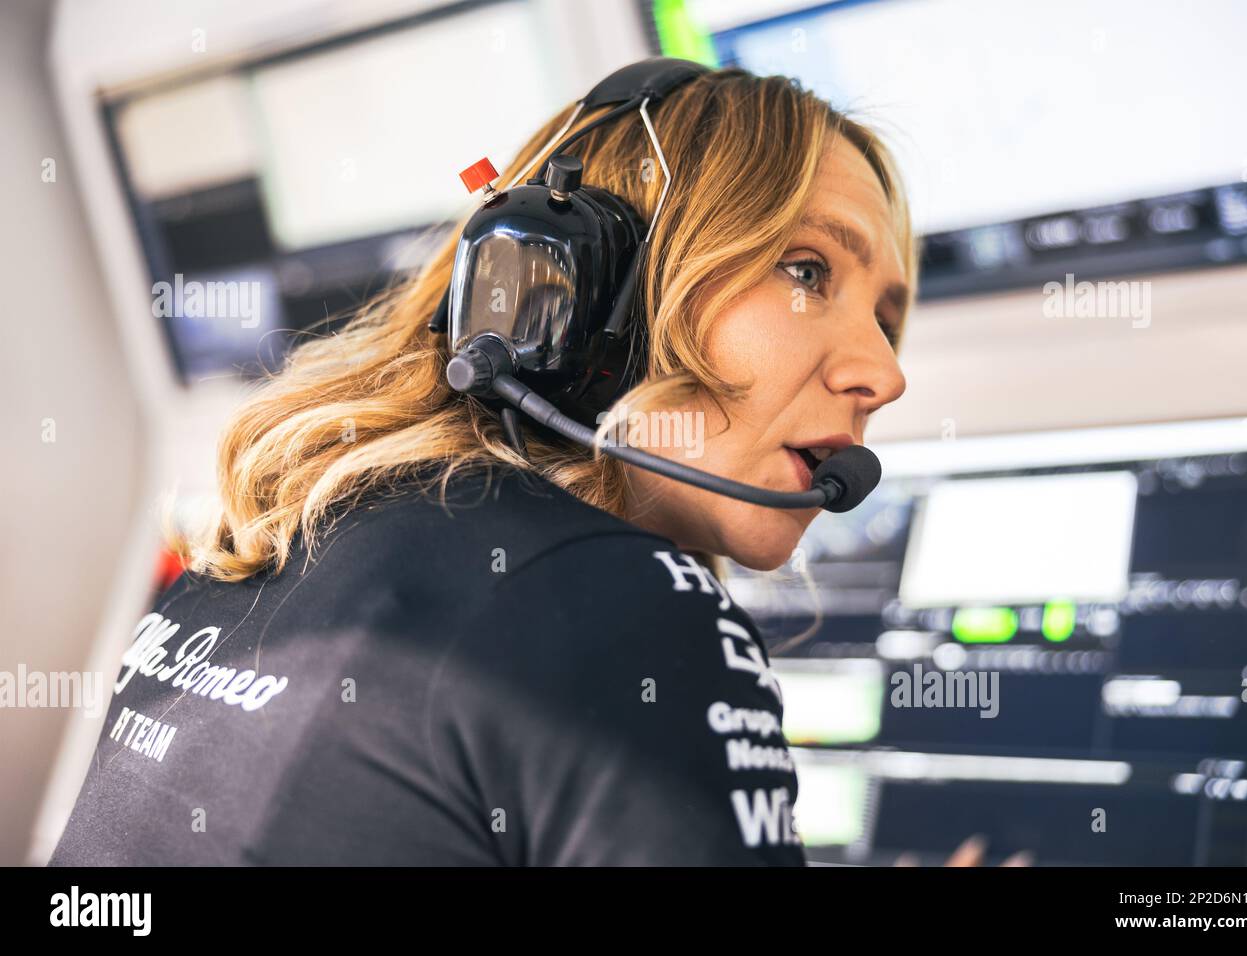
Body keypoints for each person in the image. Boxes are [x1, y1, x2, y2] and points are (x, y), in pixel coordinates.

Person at [48, 61, 914, 866]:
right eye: (805, 269)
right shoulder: (628, 605)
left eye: (885, 315)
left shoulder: (270, 537)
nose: (884, 372)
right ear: (595, 284)